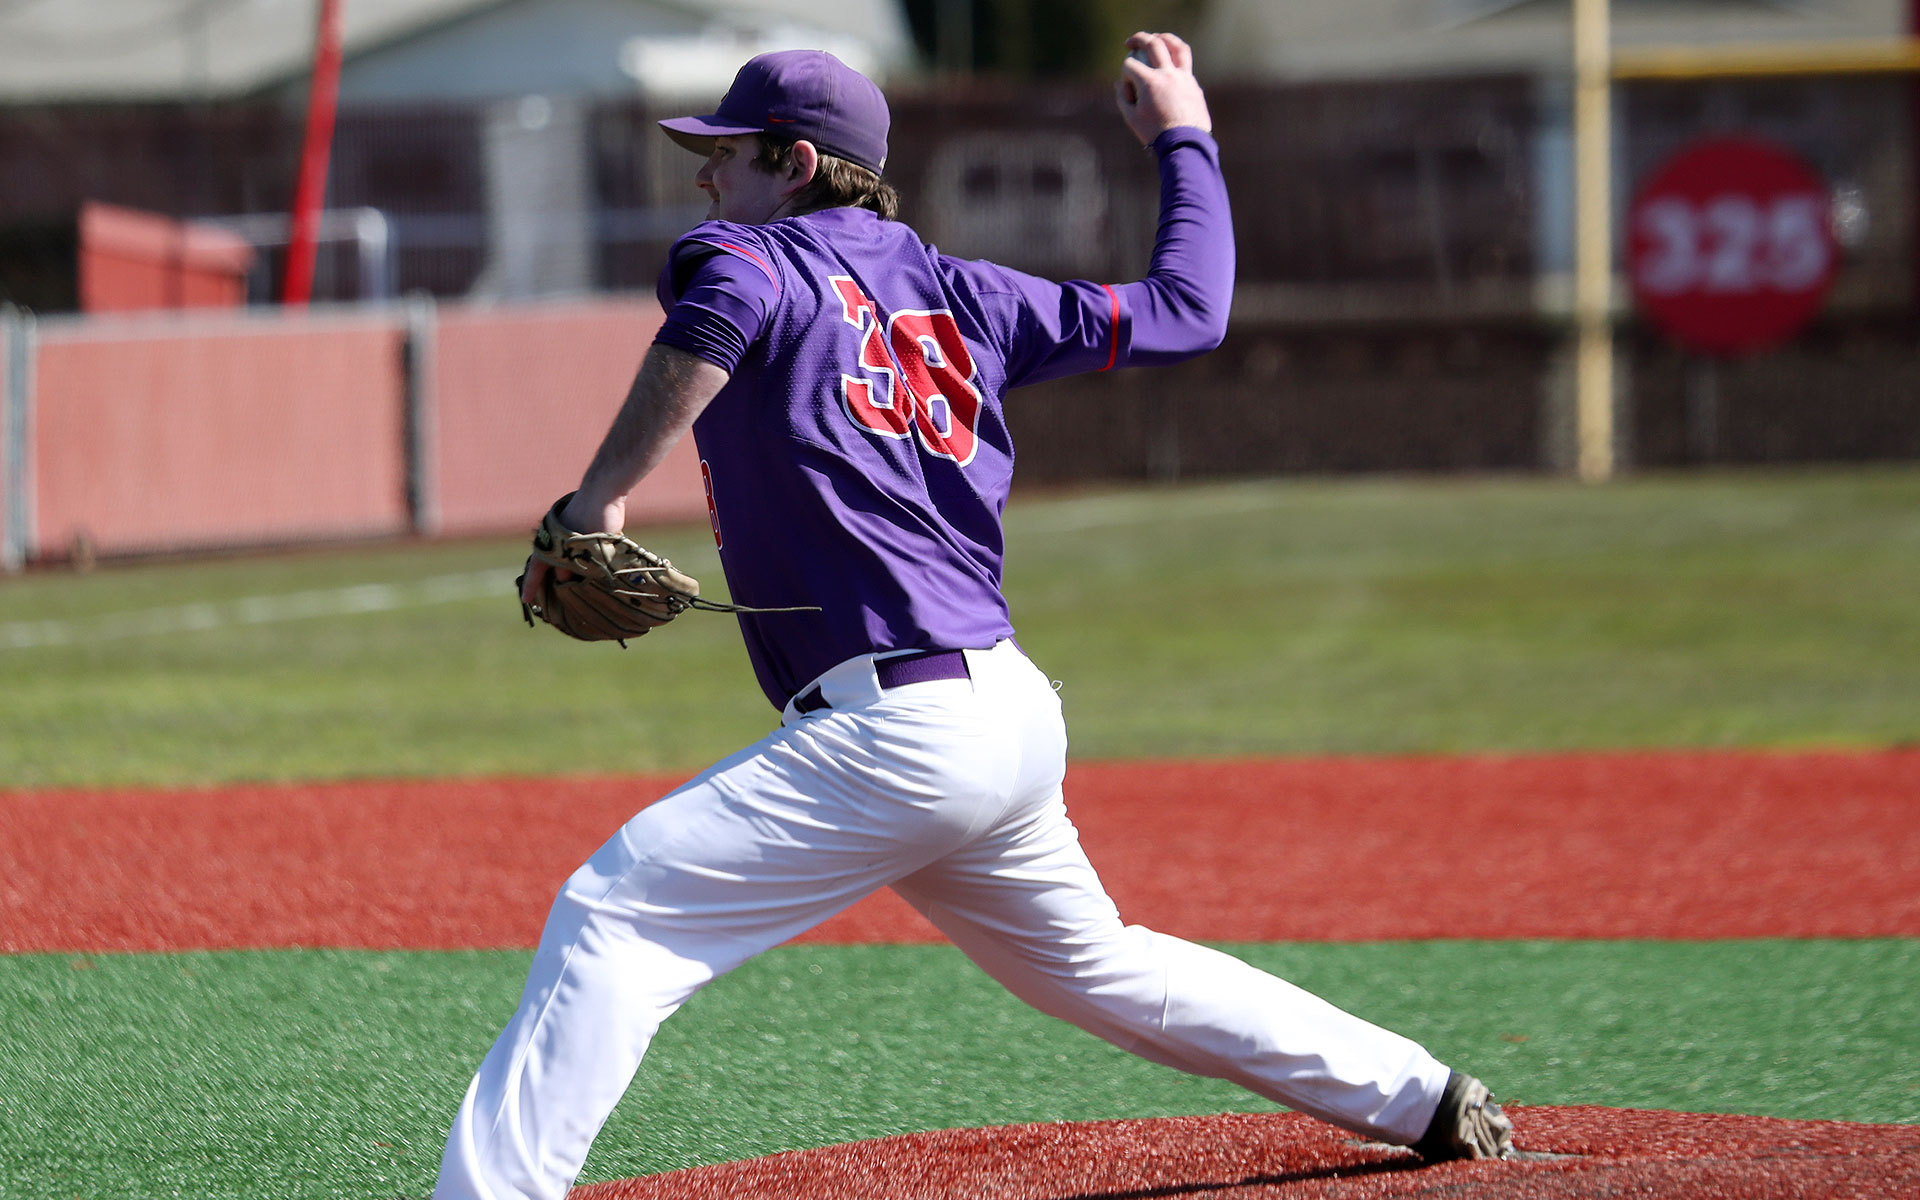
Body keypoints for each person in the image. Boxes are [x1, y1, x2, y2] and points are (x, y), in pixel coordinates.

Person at [435, 35, 1513, 1200]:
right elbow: (1189, 310)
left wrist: (591, 504)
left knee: (618, 908)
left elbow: (716, 320)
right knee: (1098, 966)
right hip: (1002, 710)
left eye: (727, 155)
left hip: (895, 730)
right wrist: (1183, 137)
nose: (706, 176)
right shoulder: (971, 296)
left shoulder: (753, 257)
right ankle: (1419, 1093)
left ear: (796, 162)